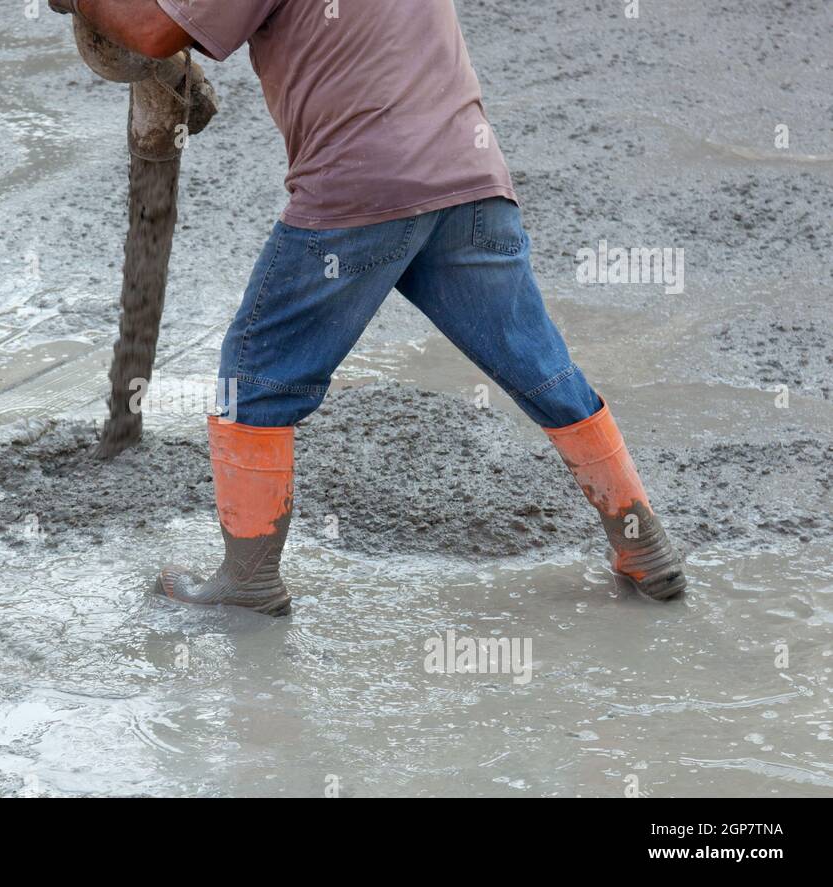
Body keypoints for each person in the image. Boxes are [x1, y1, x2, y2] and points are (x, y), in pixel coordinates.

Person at [49, 0, 688, 615]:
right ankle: (642, 543)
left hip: (360, 186)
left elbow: (155, 31)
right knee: (536, 364)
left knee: (257, 373)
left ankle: (247, 580)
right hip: (468, 174)